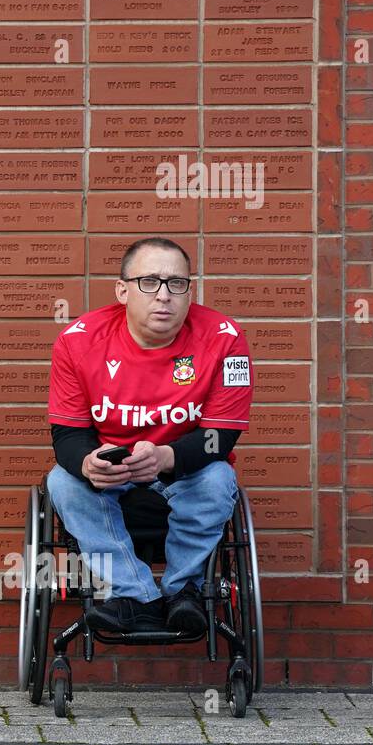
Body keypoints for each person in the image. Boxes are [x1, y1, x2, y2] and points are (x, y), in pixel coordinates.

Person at [45, 237, 253, 635]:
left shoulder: (225, 338)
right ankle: (136, 594)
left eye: (177, 284)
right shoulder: (77, 340)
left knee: (219, 478)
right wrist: (88, 462)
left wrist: (164, 457)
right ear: (122, 290)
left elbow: (220, 437)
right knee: (61, 481)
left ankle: (185, 591)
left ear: (190, 292)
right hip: (113, 475)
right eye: (149, 282)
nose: (164, 296)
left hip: (186, 470)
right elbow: (68, 434)